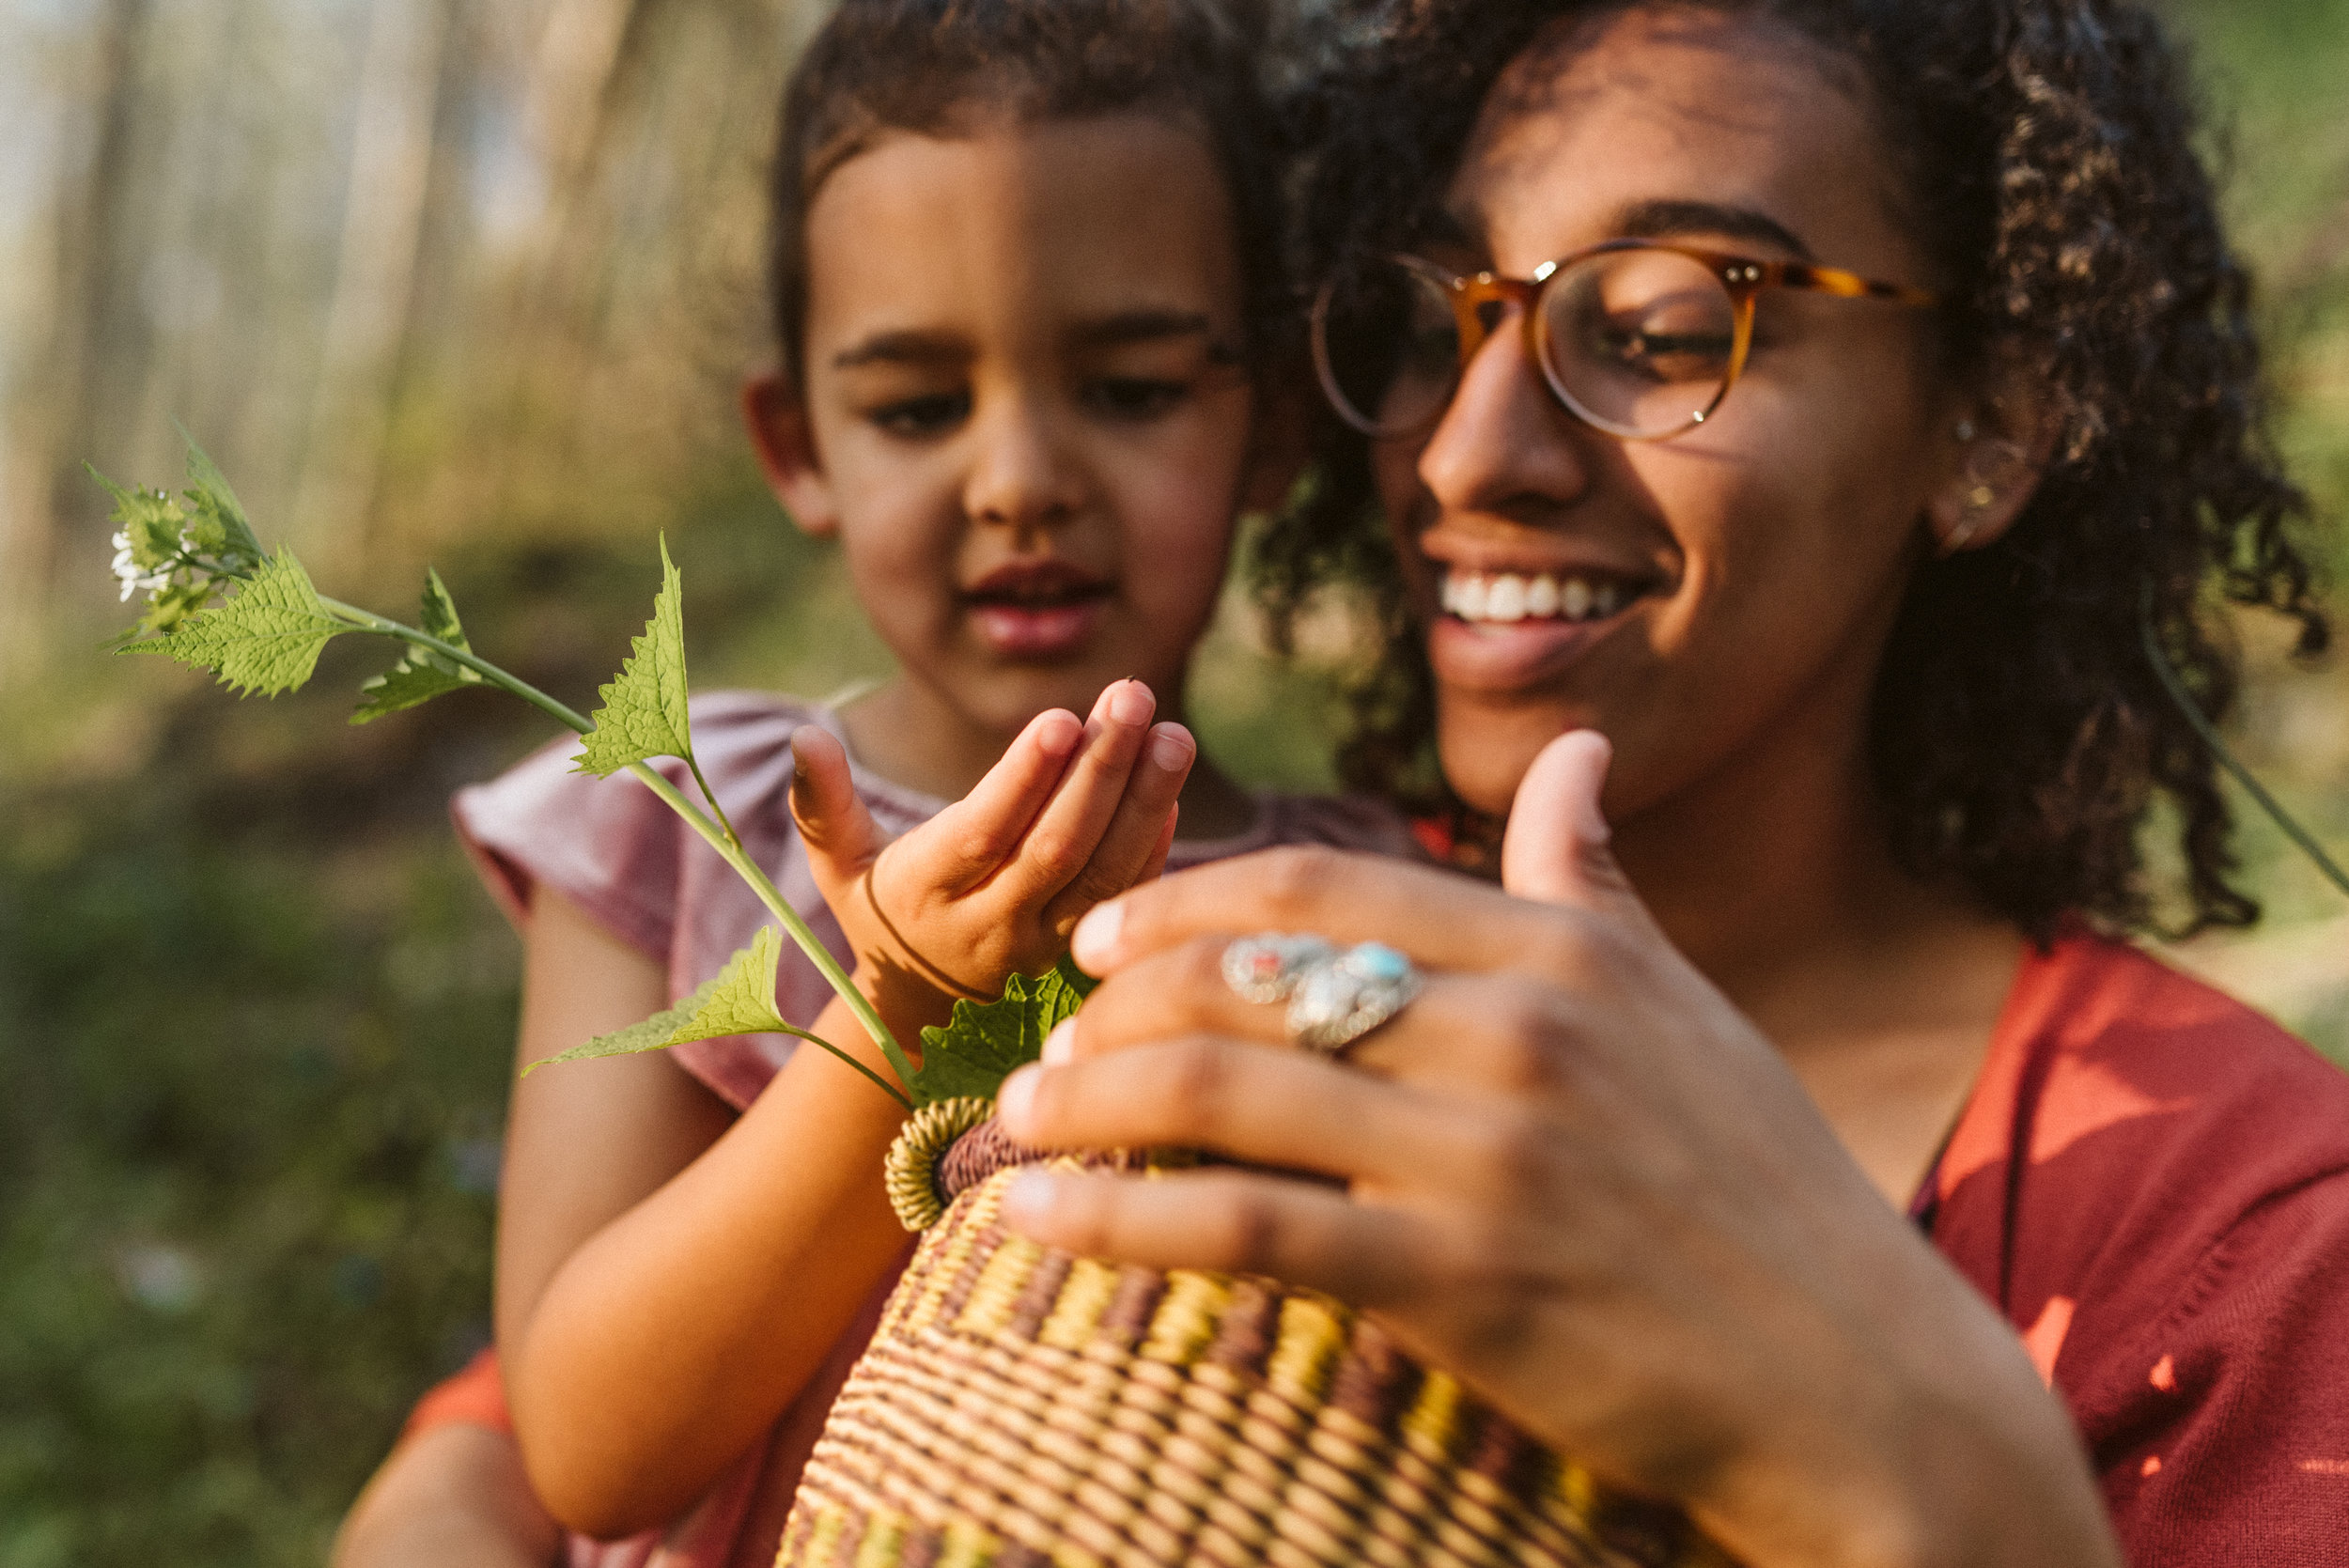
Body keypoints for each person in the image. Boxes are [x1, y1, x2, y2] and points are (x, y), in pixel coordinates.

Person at [990, 2, 2349, 1564]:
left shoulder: (2251, 1237)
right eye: (1438, 326)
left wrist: (1912, 1468)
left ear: (1988, 426)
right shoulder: (1222, 954)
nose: (1466, 454)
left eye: (1660, 333)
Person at [330, 3, 1421, 1564]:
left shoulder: (1360, 913)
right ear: (798, 444)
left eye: (1130, 389)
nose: (1018, 478)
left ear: (1274, 429)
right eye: (916, 407)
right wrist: (895, 1018)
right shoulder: (678, 812)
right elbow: (584, 1441)